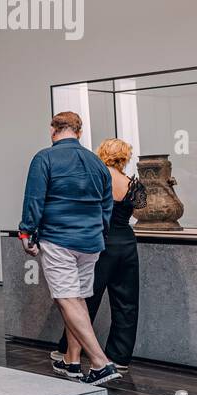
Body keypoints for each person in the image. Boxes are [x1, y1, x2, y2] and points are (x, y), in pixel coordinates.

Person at [19, 111, 119, 385]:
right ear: (79, 131)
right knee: (78, 299)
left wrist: (27, 231)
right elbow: (106, 206)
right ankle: (72, 361)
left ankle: (100, 363)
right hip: (91, 241)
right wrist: (100, 232)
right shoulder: (97, 163)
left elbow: (34, 199)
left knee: (66, 298)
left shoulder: (45, 158)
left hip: (59, 238)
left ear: (53, 129)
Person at [54, 138, 146, 374]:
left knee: (85, 298)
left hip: (101, 241)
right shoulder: (131, 183)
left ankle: (69, 351)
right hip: (126, 243)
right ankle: (119, 356)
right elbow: (139, 212)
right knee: (126, 302)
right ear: (125, 157)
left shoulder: (95, 178)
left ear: (102, 153)